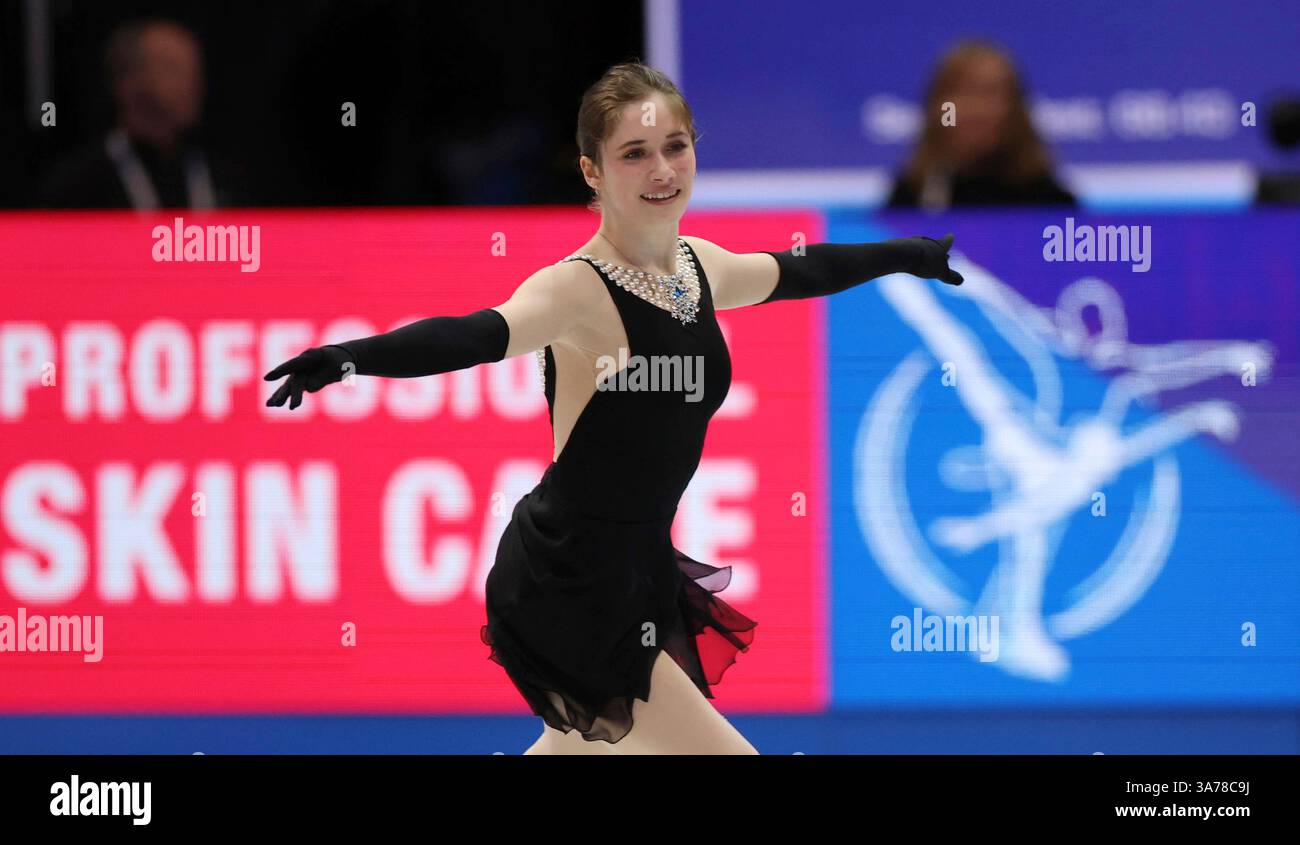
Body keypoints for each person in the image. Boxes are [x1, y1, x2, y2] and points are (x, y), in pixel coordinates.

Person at [264, 61, 962, 754]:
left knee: (577, 749)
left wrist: (907, 252)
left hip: (636, 572)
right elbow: (476, 333)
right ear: (592, 172)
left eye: (674, 147)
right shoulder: (575, 289)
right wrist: (352, 356)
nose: (661, 169)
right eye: (634, 153)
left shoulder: (700, 267)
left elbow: (802, 269)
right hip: (569, 581)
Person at [38, 18, 246, 209]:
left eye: (194, 71)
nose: (191, 84)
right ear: (127, 83)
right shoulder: (79, 186)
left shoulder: (221, 180)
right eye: (172, 69)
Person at [885, 40, 1075, 209]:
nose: (975, 110)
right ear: (938, 108)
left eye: (990, 93)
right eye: (962, 93)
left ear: (1016, 109)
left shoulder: (1052, 207)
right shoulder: (908, 202)